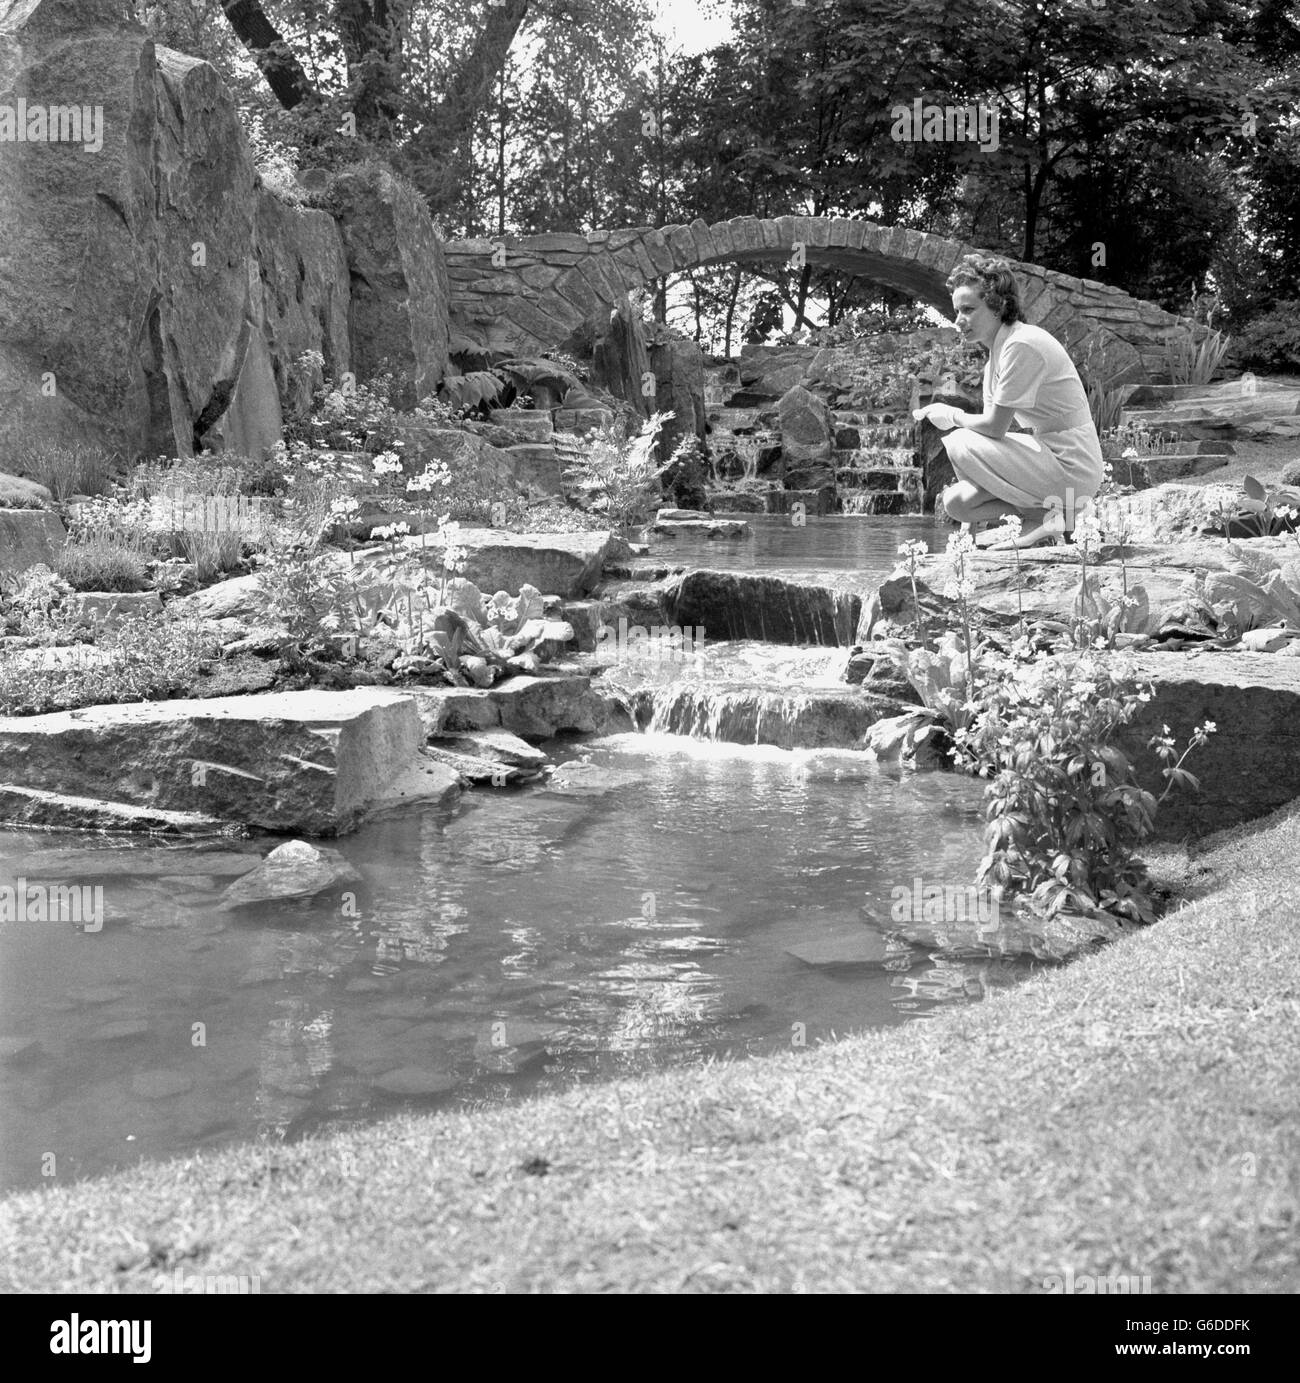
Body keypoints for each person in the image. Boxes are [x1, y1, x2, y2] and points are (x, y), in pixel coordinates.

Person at [914, 253, 1104, 549]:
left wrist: (950, 414)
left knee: (960, 440)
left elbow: (994, 428)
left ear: (997, 306)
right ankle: (1048, 518)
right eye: (956, 311)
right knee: (957, 502)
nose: (958, 320)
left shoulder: (1021, 345)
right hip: (1050, 457)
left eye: (968, 309)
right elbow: (991, 435)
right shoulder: (996, 357)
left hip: (1073, 464)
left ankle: (1044, 518)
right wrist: (967, 543)